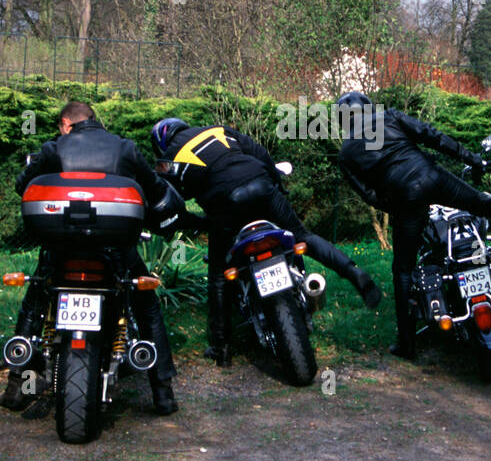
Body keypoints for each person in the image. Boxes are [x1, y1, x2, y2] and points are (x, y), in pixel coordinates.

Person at [151, 116, 382, 368]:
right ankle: (355, 274)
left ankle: (221, 347)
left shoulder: (168, 159)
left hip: (224, 204)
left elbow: (170, 201)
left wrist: (195, 221)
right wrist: (278, 187)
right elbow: (260, 153)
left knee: (220, 274)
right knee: (301, 236)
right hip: (261, 186)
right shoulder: (218, 130)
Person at [1, 102, 180, 415]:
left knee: (36, 298)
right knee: (146, 303)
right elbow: (153, 189)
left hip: (62, 247)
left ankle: (16, 385)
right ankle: (162, 391)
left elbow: (22, 185)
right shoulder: (125, 148)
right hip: (116, 248)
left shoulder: (53, 148)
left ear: (66, 123)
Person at [336, 93, 491, 360]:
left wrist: (396, 206)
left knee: (403, 270)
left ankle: (407, 343)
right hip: (431, 175)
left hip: (405, 198)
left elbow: (368, 194)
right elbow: (432, 136)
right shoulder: (391, 116)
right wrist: (472, 158)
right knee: (475, 202)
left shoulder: (346, 154)